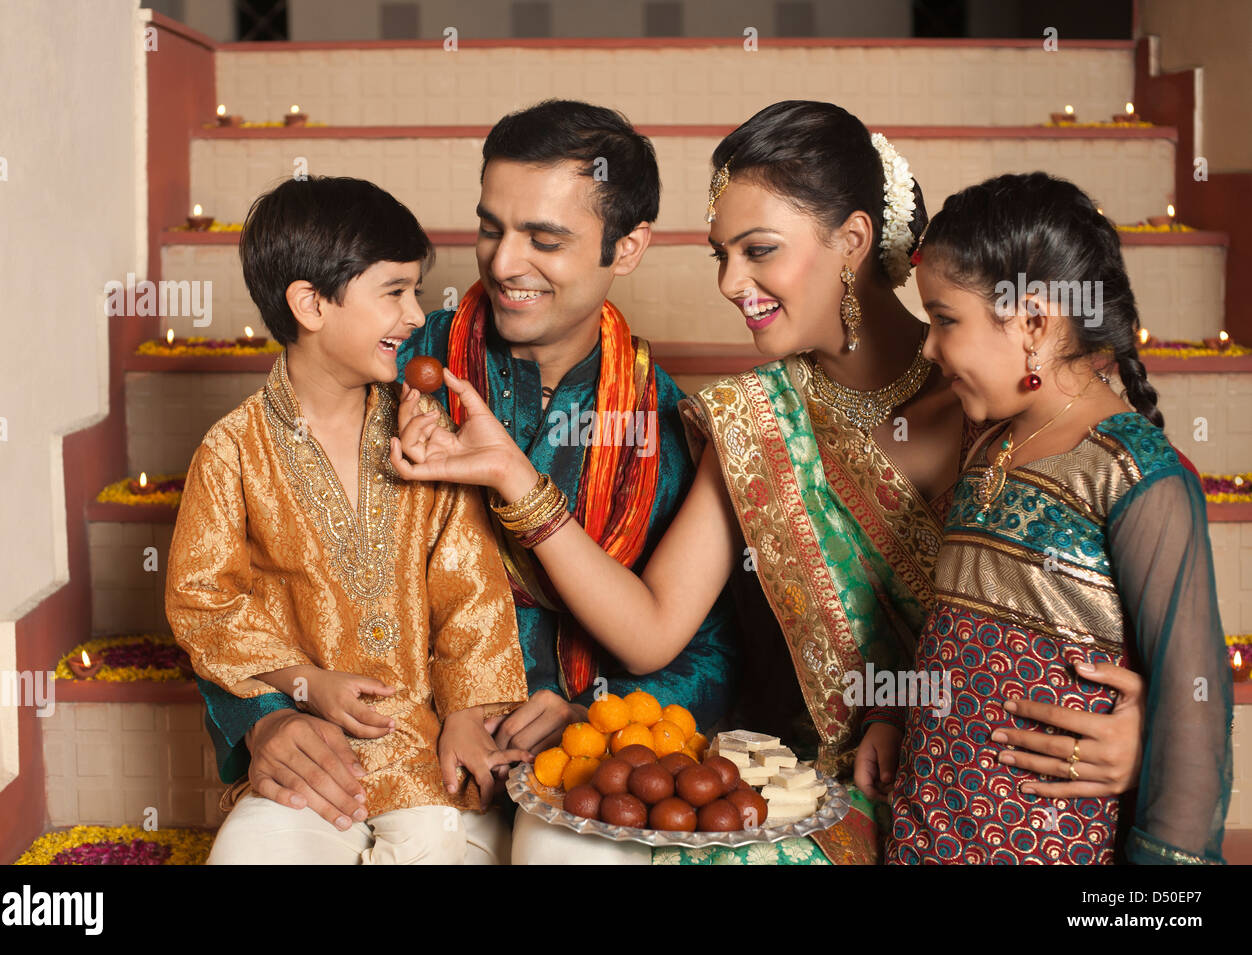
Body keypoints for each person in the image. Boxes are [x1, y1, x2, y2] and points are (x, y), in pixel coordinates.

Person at [391, 102, 1148, 864]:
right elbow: (649, 628)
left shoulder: (1003, 389)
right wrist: (516, 476)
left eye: (758, 251)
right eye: (720, 254)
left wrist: (1146, 723)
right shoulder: (754, 418)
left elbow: (1123, 586)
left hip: (1009, 787)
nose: (730, 282)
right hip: (839, 785)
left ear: (853, 241)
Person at [188, 100, 740, 864]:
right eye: (490, 228)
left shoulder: (664, 425)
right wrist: (268, 713)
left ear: (628, 246)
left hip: (576, 757)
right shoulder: (388, 357)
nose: (504, 262)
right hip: (378, 740)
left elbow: (706, 650)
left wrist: (595, 714)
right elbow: (244, 571)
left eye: (544, 239)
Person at [165, 176, 530, 864]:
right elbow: (203, 598)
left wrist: (466, 713)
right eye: (394, 291)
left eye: (416, 291)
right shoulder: (232, 449)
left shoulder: (424, 437)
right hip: (312, 752)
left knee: (438, 845)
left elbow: (472, 592)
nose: (416, 315)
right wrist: (301, 680)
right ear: (310, 304)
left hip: (425, 748)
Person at [882, 172, 1231, 864]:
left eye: (945, 320)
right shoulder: (988, 444)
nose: (928, 348)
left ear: (1034, 323)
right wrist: (890, 716)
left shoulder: (1131, 473)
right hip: (925, 838)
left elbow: (1195, 705)